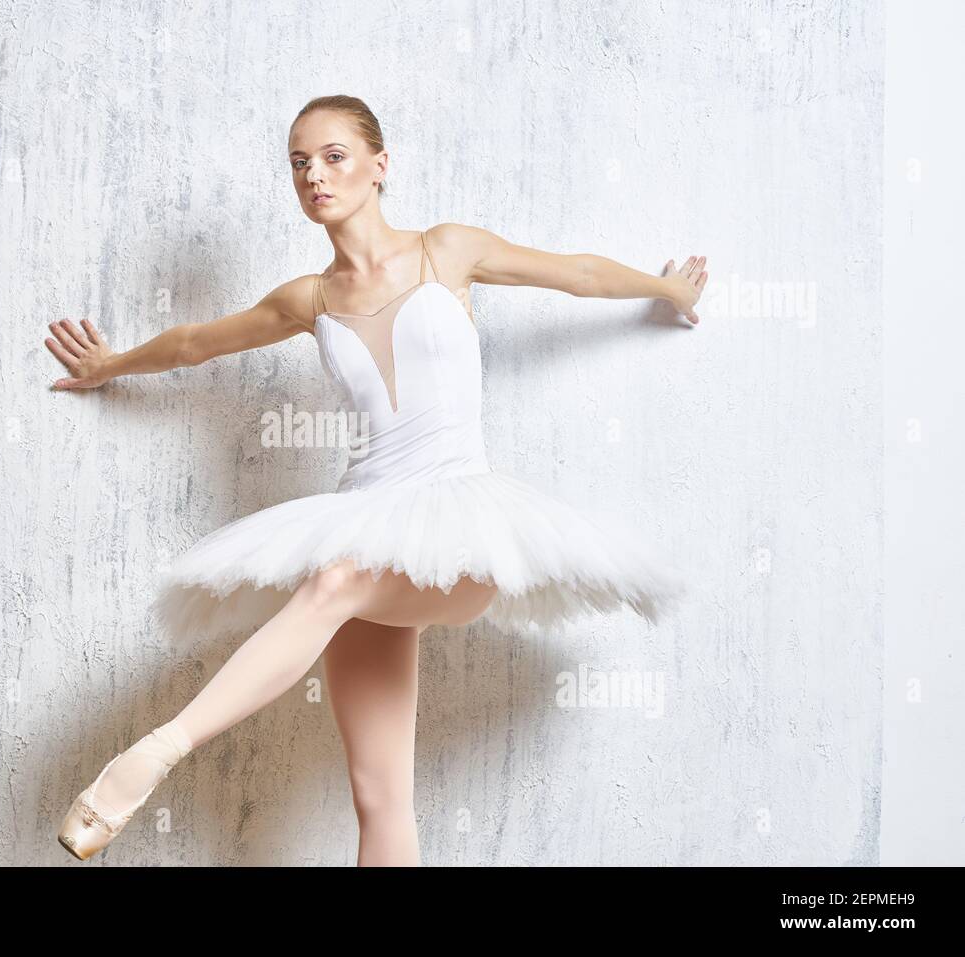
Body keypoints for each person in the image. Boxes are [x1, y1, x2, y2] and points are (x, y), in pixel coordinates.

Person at [47, 94, 705, 866]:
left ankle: (152, 755)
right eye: (299, 164)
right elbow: (196, 343)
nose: (314, 176)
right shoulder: (309, 299)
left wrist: (671, 292)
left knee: (329, 586)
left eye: (333, 156)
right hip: (366, 518)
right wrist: (110, 364)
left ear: (379, 165)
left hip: (460, 528)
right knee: (380, 796)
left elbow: (576, 274)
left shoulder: (448, 250)